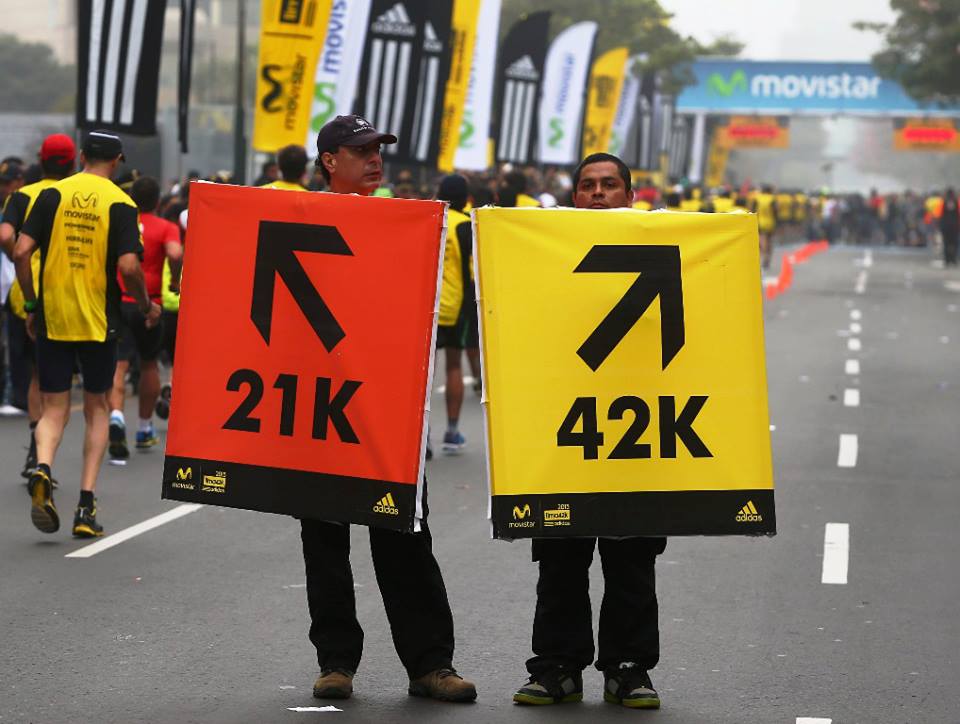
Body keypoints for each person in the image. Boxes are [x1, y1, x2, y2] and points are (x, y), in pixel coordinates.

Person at [302, 114, 476, 703]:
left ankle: (431, 664)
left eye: (378, 149)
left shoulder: (407, 222)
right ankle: (336, 663)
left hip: (388, 409)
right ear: (330, 160)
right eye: (361, 150)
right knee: (324, 540)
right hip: (320, 406)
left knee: (404, 535)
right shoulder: (301, 220)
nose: (375, 159)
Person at [512, 152, 665, 711]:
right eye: (587, 185)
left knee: (631, 559)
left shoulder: (662, 243)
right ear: (574, 194)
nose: (597, 193)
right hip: (566, 428)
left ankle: (629, 669)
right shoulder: (545, 250)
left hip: (635, 431)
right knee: (560, 558)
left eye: (609, 184)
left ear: (629, 192)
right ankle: (557, 667)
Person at [13, 130, 160, 537]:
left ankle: (42, 466)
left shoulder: (51, 195)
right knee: (97, 407)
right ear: (116, 161)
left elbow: (21, 251)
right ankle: (85, 506)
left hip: (53, 315)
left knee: (53, 405)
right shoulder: (122, 203)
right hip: (99, 319)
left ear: (81, 156)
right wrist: (146, 306)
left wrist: (31, 303)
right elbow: (130, 267)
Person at [0, 134, 76, 480]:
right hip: (67, 295)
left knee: (34, 371)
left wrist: (16, 260)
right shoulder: (74, 196)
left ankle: (35, 447)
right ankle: (44, 456)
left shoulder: (20, 196)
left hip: (24, 294)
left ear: (39, 162)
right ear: (72, 163)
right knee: (58, 383)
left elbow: (5, 237)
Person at [107, 175, 183, 461]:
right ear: (158, 201)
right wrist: (175, 280)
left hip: (120, 302)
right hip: (150, 303)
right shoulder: (166, 227)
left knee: (119, 364)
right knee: (149, 364)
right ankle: (144, 427)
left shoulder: (122, 223)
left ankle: (116, 415)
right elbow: (175, 253)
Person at [434, 174, 473, 454]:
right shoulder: (467, 226)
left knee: (423, 376)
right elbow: (473, 272)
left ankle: (421, 441)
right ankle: (452, 431)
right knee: (453, 366)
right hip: (456, 306)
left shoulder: (430, 219)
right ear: (466, 198)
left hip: (427, 305)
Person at [941, 188, 959, 267]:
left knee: (946, 243)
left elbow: (940, 214)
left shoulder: (943, 202)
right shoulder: (956, 202)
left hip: (946, 226)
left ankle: (947, 260)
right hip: (955, 226)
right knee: (954, 244)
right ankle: (954, 259)